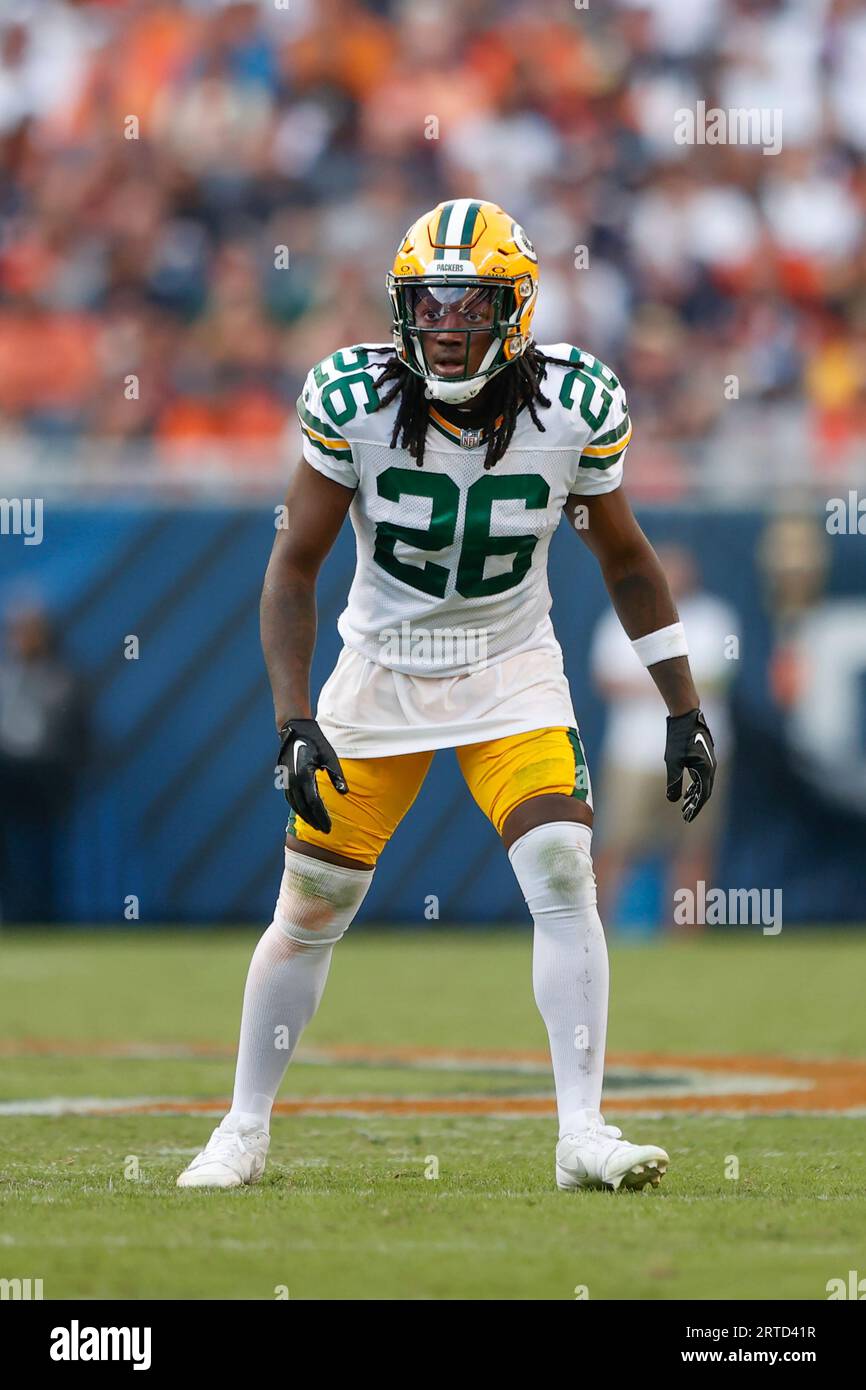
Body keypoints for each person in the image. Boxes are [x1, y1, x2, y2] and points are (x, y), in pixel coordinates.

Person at [178, 200, 717, 1193]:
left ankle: (580, 1132)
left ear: (514, 310)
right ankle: (242, 1128)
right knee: (311, 905)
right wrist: (292, 716)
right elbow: (291, 567)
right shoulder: (352, 396)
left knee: (561, 866)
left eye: (469, 302)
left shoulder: (575, 404)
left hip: (510, 667)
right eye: (427, 302)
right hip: (379, 670)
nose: (445, 322)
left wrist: (679, 702)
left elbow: (627, 561)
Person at [590, 544, 737, 929]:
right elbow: (608, 679)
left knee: (692, 850)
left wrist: (655, 685)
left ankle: (685, 938)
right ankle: (595, 934)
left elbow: (714, 682)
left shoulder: (713, 620)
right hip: (633, 755)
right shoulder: (623, 615)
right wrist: (674, 687)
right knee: (616, 845)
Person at [0, 601, 88, 922]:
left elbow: (73, 736)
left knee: (41, 855)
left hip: (43, 786)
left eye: (28, 631)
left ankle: (40, 916)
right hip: (6, 785)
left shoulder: (62, 677)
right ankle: (13, 913)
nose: (21, 639)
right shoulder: (5, 677)